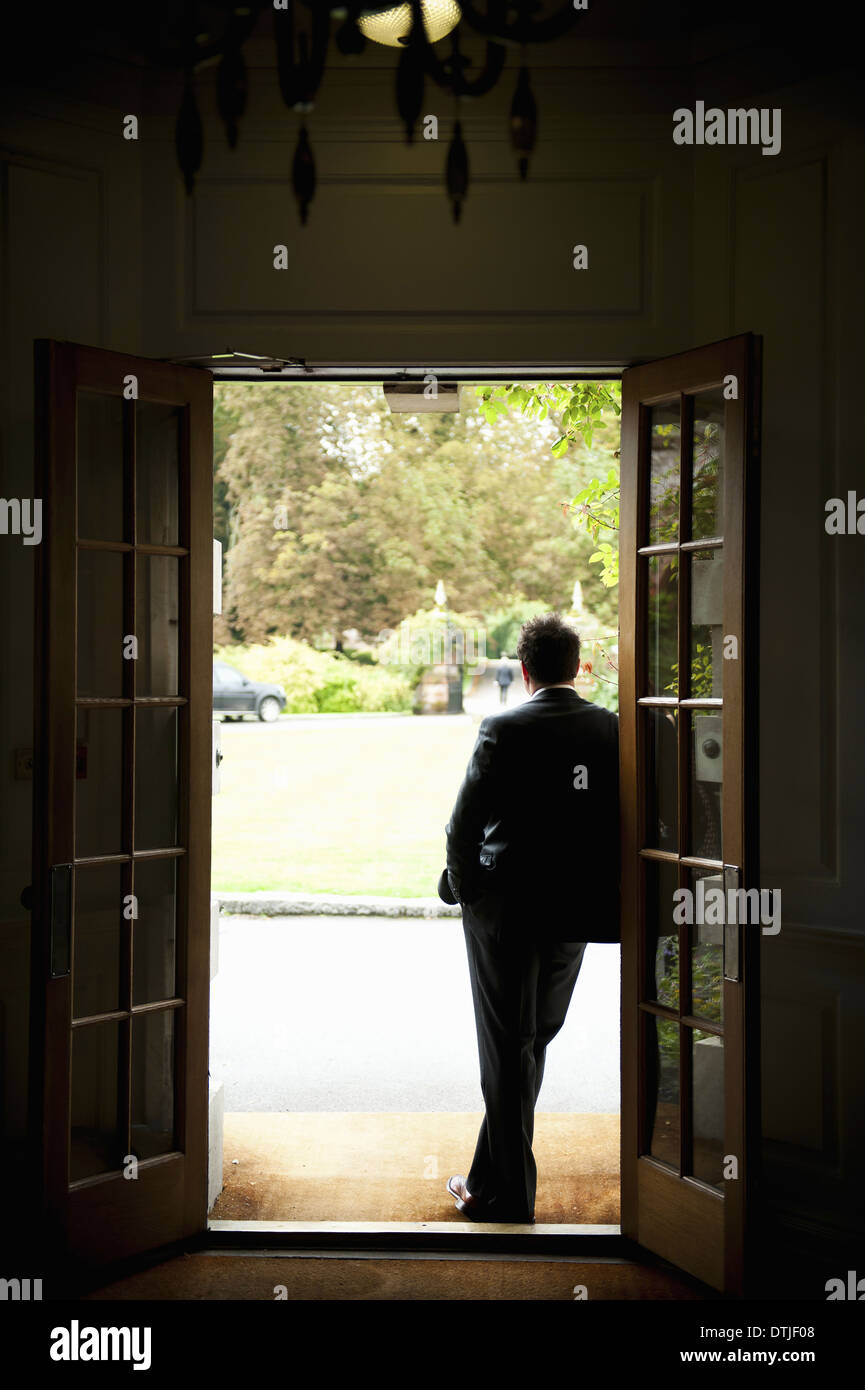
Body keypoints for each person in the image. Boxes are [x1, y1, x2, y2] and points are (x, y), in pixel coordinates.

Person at [437, 611, 619, 1223]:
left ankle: (509, 1198)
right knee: (531, 1042)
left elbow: (462, 827)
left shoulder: (502, 728)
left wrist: (469, 895)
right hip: (575, 911)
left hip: (506, 913)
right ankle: (485, 1180)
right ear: (578, 667)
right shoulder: (610, 729)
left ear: (524, 670)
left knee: (506, 1048)